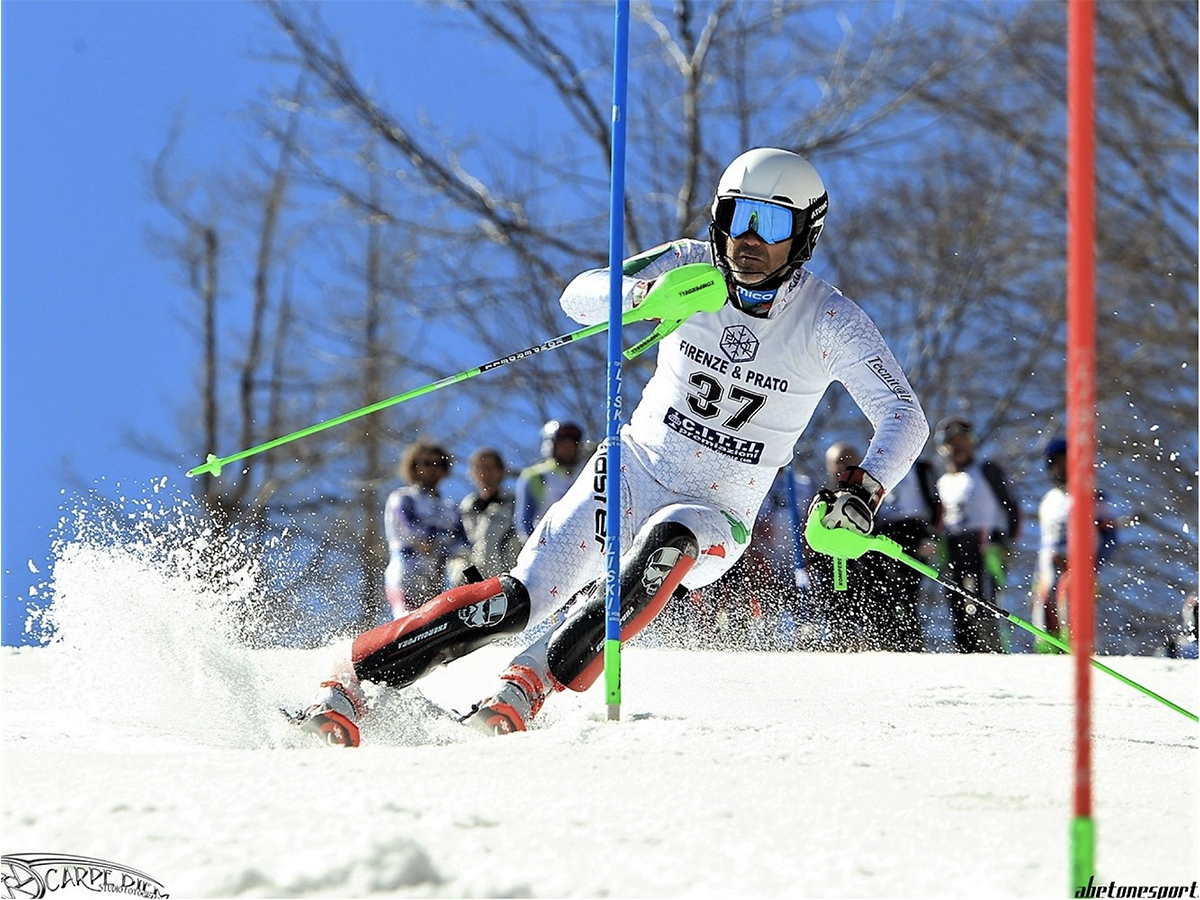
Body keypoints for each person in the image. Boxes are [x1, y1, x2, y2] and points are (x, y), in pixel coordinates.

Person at [292, 147, 929, 745]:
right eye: (737, 216)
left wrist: (864, 490)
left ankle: (527, 685)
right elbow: (578, 296)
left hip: (717, 513)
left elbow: (903, 415)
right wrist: (642, 297)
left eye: (771, 222)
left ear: (805, 234)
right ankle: (352, 683)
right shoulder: (689, 266)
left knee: (666, 547)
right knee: (517, 601)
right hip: (629, 473)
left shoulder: (829, 319)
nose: (748, 239)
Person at [934, 416, 1021, 653]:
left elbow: (1012, 506)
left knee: (984, 602)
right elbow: (939, 520)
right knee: (957, 604)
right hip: (953, 547)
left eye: (964, 441)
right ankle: (966, 655)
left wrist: (1006, 541)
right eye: (953, 442)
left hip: (984, 545)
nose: (959, 447)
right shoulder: (941, 482)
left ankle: (994, 653)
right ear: (944, 446)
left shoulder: (986, 470)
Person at [1031, 436, 1119, 651]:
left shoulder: (1092, 496)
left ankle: (1077, 654)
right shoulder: (1049, 500)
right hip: (1047, 571)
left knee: (1070, 611)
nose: (1059, 469)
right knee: (1044, 615)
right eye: (1054, 464)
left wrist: (1091, 565)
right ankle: (1046, 658)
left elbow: (1110, 536)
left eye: (1065, 462)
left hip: (1077, 570)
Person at [382, 441, 467, 621]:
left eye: (439, 464)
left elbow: (463, 544)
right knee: (408, 622)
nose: (433, 469)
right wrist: (438, 539)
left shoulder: (450, 509)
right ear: (414, 466)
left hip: (435, 581)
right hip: (405, 575)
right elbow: (413, 530)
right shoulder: (403, 498)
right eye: (427, 463)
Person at [868, 458, 942, 651]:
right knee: (882, 589)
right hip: (883, 531)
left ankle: (912, 642)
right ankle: (886, 641)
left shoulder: (922, 467)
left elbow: (936, 503)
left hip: (913, 530)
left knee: (908, 590)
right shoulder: (874, 467)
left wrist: (931, 536)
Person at [449, 447, 524, 586]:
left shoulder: (516, 503)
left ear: (501, 471)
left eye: (490, 467)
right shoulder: (465, 508)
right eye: (479, 468)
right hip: (474, 584)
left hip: (508, 579)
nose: (484, 473)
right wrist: (469, 576)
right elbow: (458, 546)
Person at [514, 420, 585, 540]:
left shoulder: (586, 474)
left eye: (572, 444)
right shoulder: (535, 476)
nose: (568, 448)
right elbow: (524, 522)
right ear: (550, 445)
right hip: (547, 546)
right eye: (562, 443)